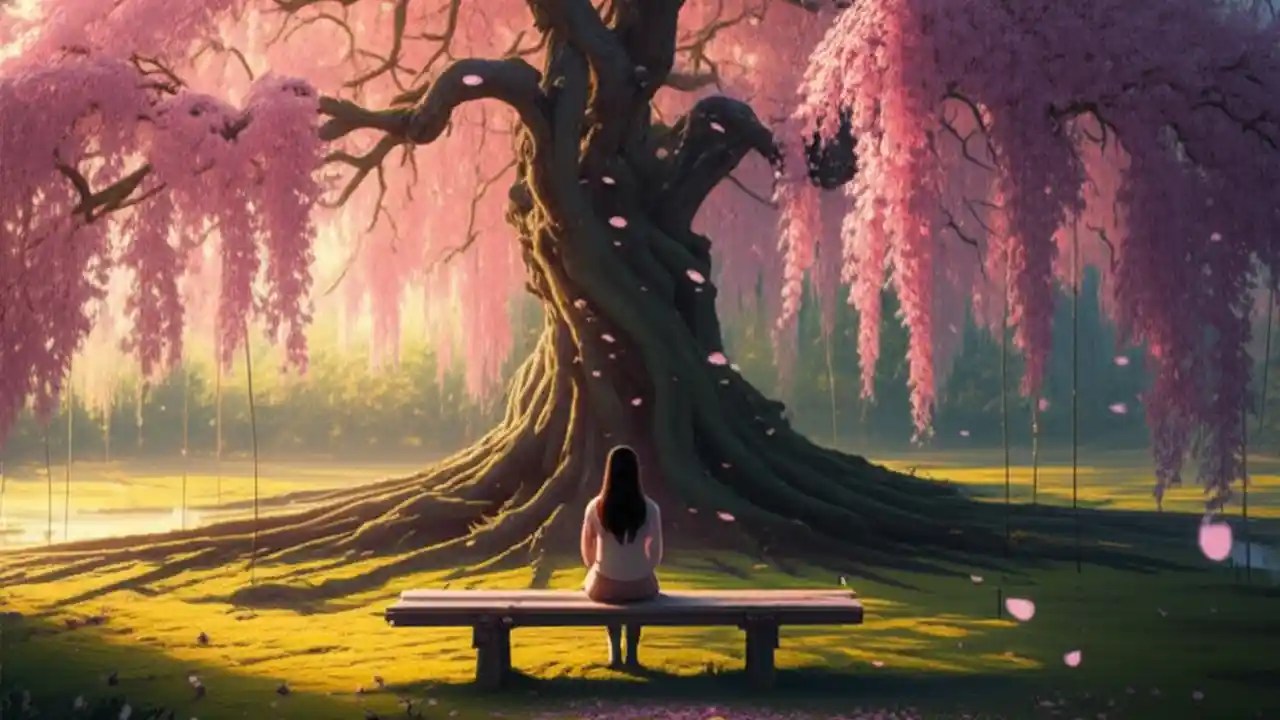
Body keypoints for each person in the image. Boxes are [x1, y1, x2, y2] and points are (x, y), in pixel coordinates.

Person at [580, 444, 663, 668]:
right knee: (635, 595)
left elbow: (586, 549)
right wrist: (643, 569)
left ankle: (615, 654)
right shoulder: (650, 508)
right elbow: (656, 553)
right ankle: (633, 655)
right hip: (641, 586)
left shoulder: (594, 507)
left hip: (605, 586)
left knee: (602, 588)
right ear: (637, 472)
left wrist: (596, 568)